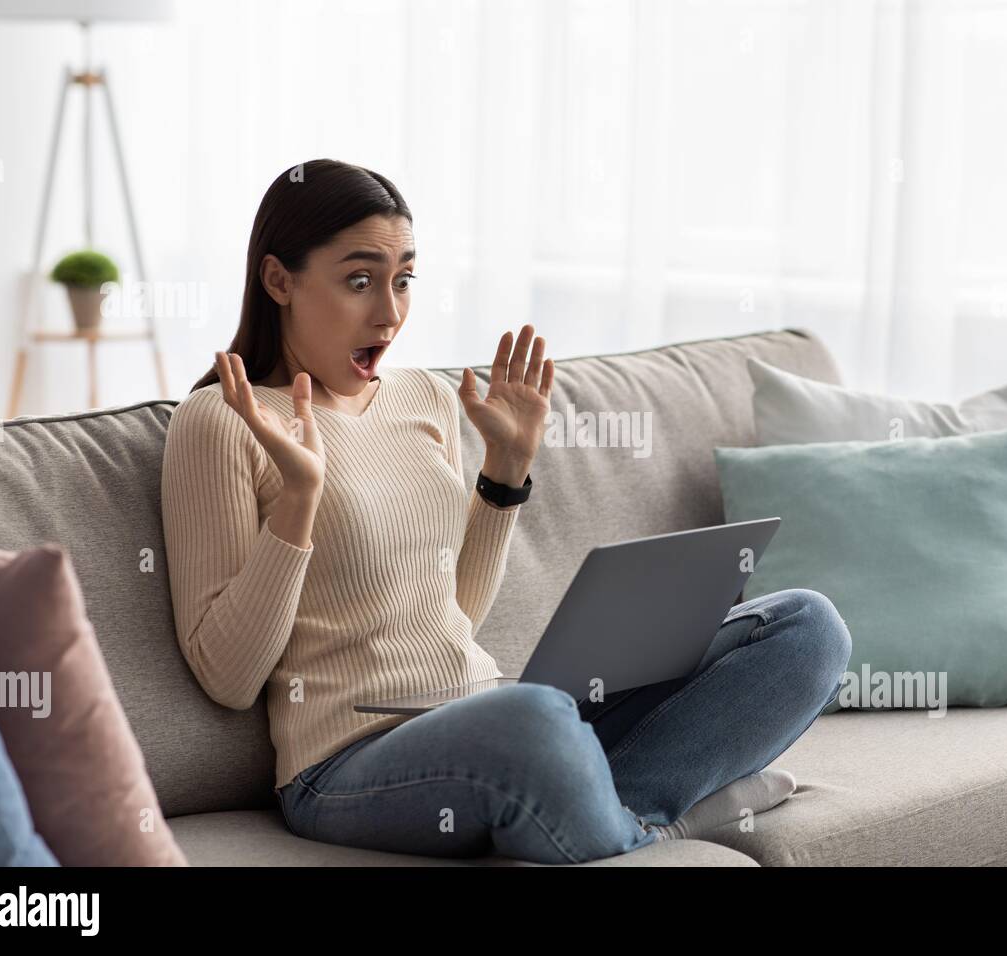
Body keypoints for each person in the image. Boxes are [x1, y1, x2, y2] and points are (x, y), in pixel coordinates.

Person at [161, 158, 851, 864]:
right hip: (345, 767)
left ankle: (621, 810)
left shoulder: (424, 399)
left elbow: (455, 610)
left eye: (403, 281)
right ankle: (658, 829)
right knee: (531, 717)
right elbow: (228, 676)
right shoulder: (220, 421)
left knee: (805, 625)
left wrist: (506, 473)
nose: (390, 313)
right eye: (359, 280)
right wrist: (299, 504)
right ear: (279, 280)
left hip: (491, 716)